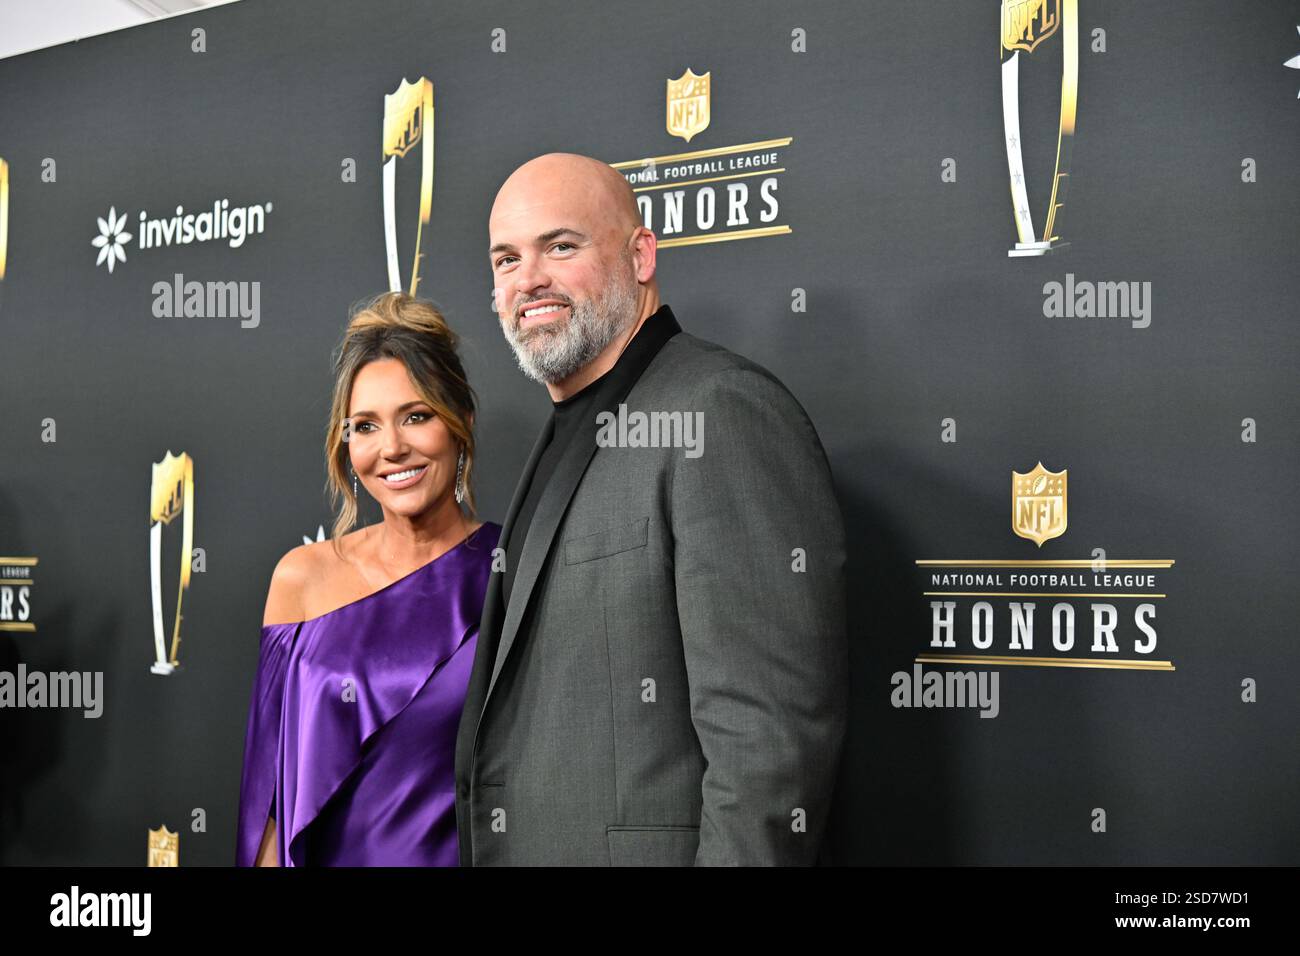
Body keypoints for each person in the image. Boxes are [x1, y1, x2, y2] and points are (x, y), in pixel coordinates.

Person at [453, 152, 847, 865]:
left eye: (560, 246)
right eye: (506, 260)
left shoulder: (719, 411)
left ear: (641, 255)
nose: (528, 280)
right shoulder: (562, 429)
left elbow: (767, 749)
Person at [236, 291, 501, 866]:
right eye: (365, 426)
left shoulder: (512, 570)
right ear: (345, 442)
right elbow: (271, 802)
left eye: (417, 416)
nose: (392, 448)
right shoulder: (301, 579)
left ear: (461, 424)